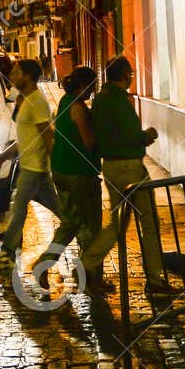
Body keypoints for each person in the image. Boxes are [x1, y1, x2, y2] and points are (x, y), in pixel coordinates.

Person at [90, 56, 165, 291]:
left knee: (117, 223)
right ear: (124, 75)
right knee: (149, 223)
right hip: (129, 168)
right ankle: (154, 279)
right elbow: (130, 135)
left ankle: (86, 264)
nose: (131, 78)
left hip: (110, 166)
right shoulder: (119, 101)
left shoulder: (101, 100)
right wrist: (147, 135)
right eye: (130, 73)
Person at [39, 66, 116, 293]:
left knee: (72, 222)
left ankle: (52, 267)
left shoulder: (65, 101)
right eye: (92, 87)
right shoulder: (79, 108)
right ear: (83, 86)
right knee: (91, 227)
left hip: (62, 170)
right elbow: (90, 142)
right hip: (79, 173)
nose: (93, 92)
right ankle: (92, 279)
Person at [0, 58, 62, 268]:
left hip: (34, 168)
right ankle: (82, 230)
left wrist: (56, 165)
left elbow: (47, 135)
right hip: (32, 168)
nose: (12, 75)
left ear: (27, 76)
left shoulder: (37, 101)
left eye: (16, 71)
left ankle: (7, 252)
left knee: (18, 207)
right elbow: (26, 137)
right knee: (62, 212)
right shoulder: (24, 99)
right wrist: (5, 154)